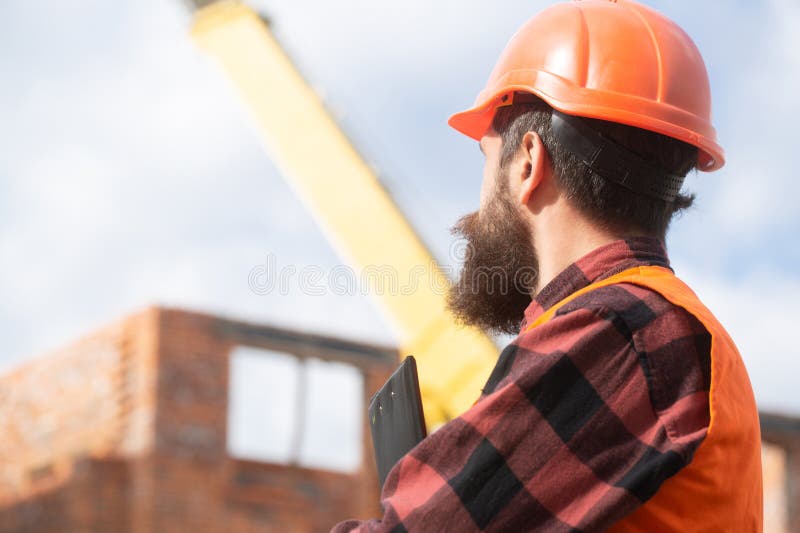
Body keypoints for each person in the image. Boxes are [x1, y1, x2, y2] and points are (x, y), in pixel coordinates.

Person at [333, 0, 763, 531]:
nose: (477, 202)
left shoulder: (625, 332)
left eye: (486, 162)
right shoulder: (669, 330)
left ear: (529, 162)